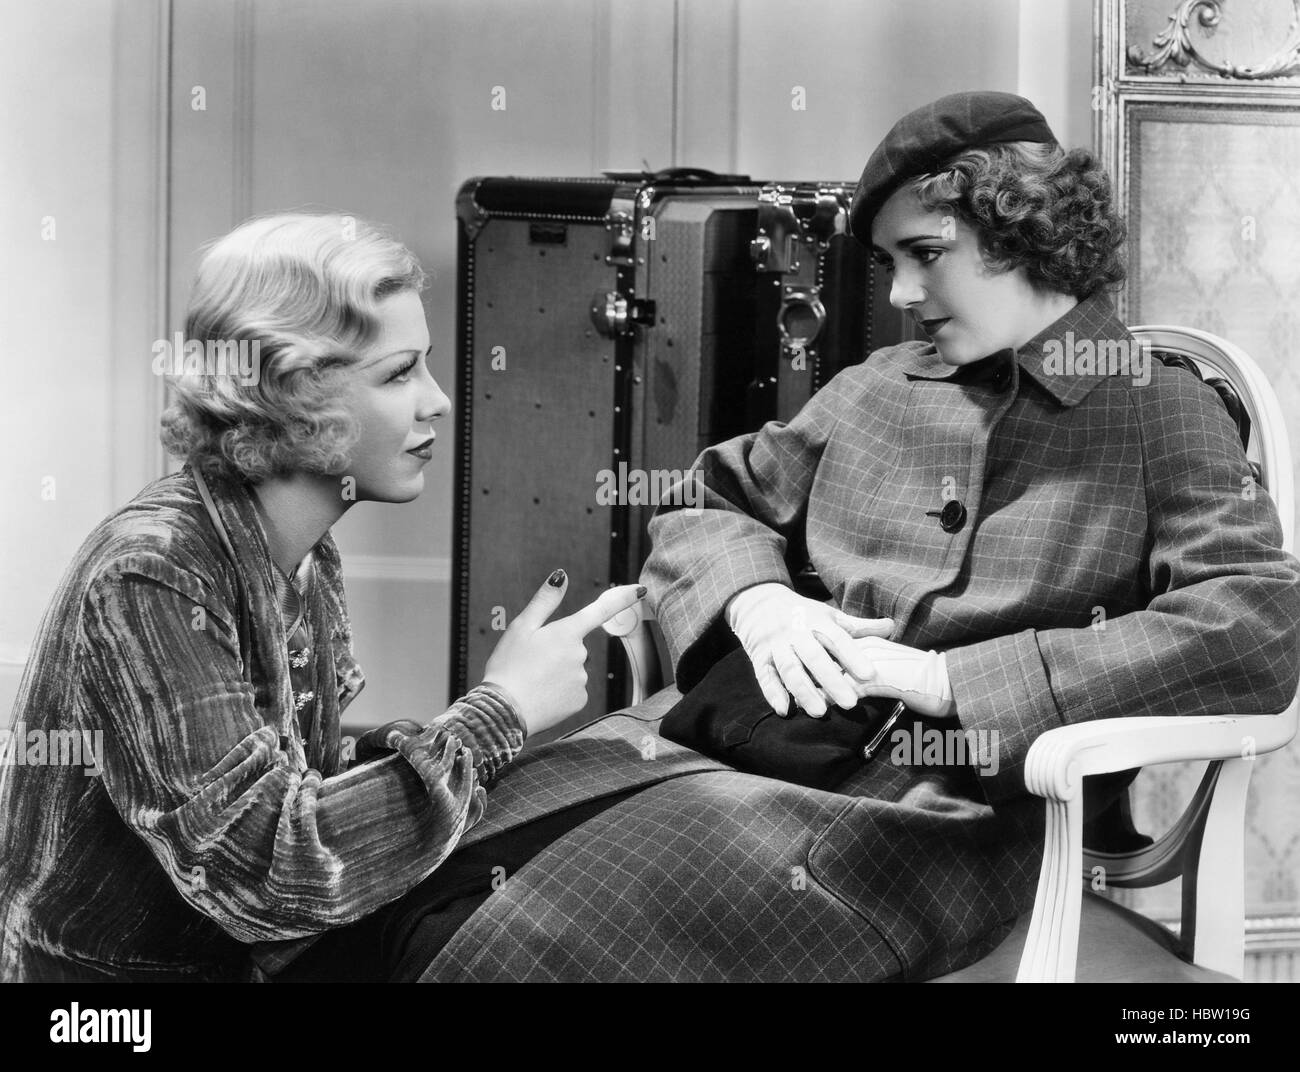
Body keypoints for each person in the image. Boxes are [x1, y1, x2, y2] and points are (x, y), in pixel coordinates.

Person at [413, 91, 1300, 982]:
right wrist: (759, 604)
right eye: (887, 264)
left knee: (540, 944)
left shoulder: (1157, 406)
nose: (904, 295)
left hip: (931, 813)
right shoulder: (877, 384)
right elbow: (707, 498)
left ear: (1023, 227)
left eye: (924, 256)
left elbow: (1254, 625)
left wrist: (951, 679)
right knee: (427, 873)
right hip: (731, 732)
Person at [0, 211, 645, 982]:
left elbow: (295, 793)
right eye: (399, 373)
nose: (437, 402)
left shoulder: (304, 551)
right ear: (295, 393)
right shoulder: (149, 573)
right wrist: (498, 713)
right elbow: (269, 876)